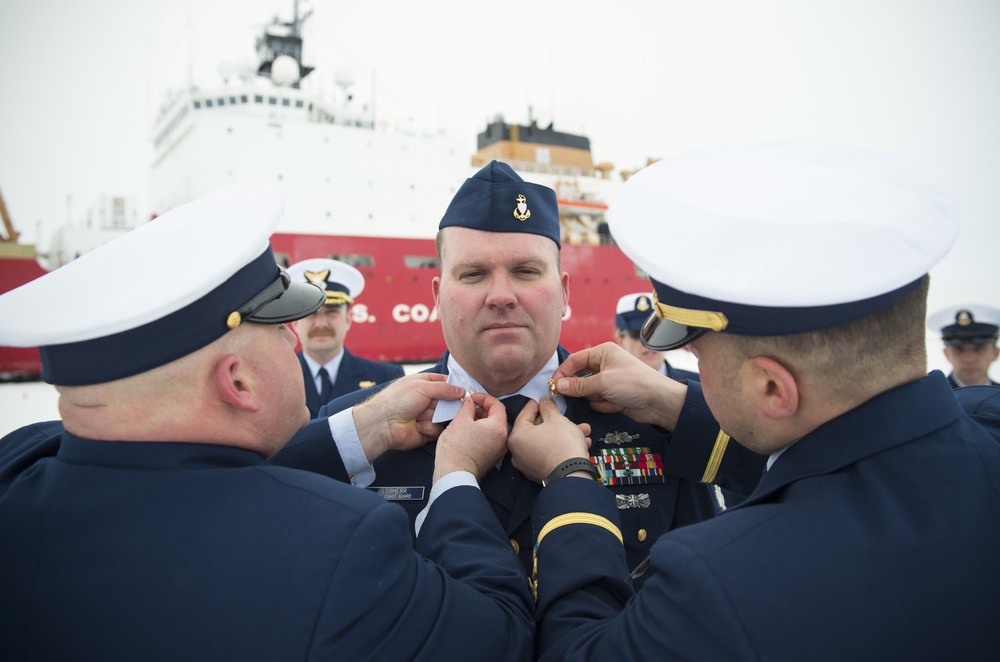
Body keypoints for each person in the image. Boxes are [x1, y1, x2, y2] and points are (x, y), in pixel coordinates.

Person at [506, 143, 1000, 659]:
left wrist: (570, 479)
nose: (691, 360)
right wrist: (676, 404)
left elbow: (578, 650)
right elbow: (847, 468)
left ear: (771, 388)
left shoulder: (717, 588)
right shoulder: (988, 424)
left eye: (697, 350)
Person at [0, 182, 533, 660]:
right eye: (279, 328)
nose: (297, 339)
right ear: (237, 383)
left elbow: (168, 462)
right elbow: (502, 634)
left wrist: (358, 429)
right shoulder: (340, 547)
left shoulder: (18, 466)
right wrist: (458, 474)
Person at [273, 160, 764, 583]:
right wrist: (360, 431)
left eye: (527, 271)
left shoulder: (657, 418)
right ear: (436, 296)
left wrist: (674, 403)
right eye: (474, 274)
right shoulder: (363, 428)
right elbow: (244, 501)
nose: (502, 295)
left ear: (566, 293)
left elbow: (791, 479)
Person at [286, 257, 404, 416]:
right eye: (311, 314)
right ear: (295, 323)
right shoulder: (275, 381)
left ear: (348, 319)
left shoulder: (387, 379)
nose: (321, 324)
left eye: (331, 312)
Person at [614, 291, 698, 381]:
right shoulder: (602, 389)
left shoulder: (699, 385)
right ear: (620, 340)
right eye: (637, 335)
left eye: (656, 333)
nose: (648, 341)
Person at [926, 304, 1000, 387]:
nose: (969, 359)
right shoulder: (930, 398)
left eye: (979, 349)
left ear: (995, 353)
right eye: (958, 350)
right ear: (946, 354)